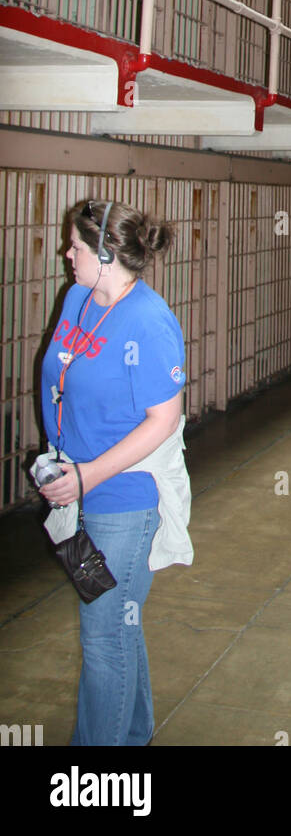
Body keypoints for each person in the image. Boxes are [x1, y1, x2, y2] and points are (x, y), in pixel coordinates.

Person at [37, 198, 192, 746]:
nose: (67, 254)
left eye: (75, 246)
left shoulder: (149, 321)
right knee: (118, 627)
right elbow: (63, 374)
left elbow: (164, 420)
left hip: (123, 499)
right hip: (77, 488)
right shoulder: (78, 298)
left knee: (103, 639)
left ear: (104, 255)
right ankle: (134, 734)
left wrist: (87, 475)